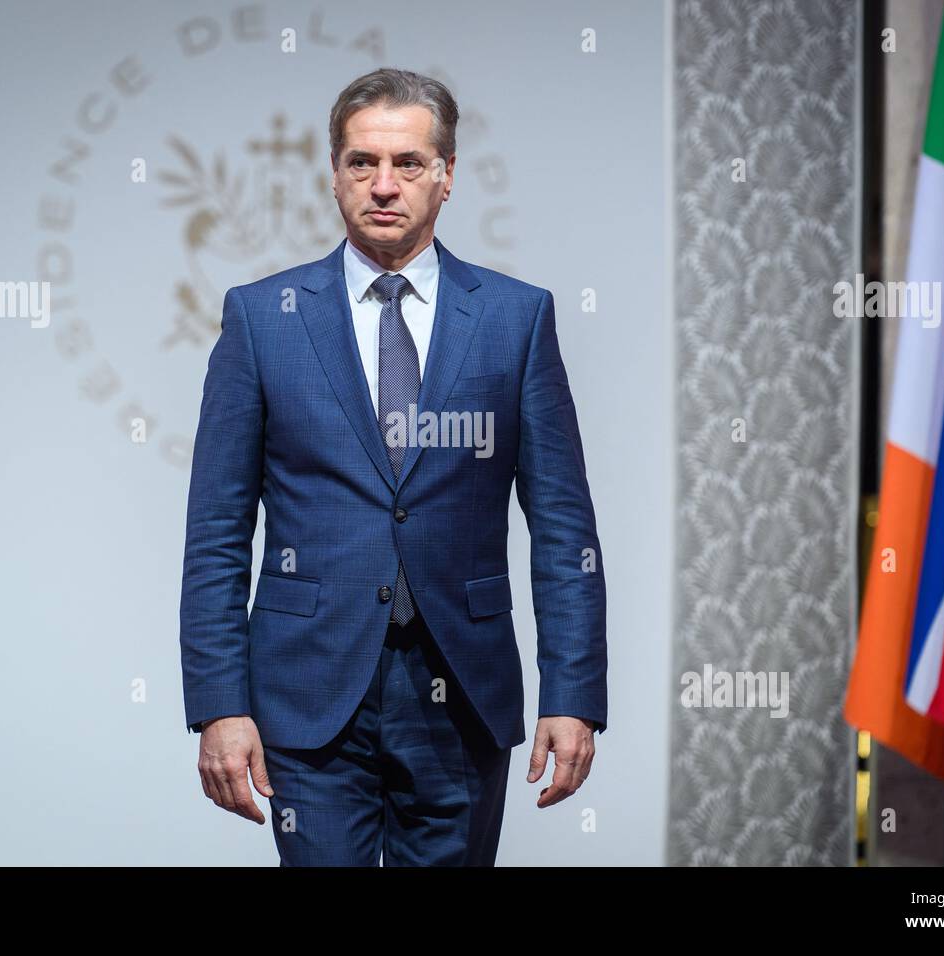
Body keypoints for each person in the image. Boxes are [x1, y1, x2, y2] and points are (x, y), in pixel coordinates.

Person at [179, 67, 607, 866]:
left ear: (446, 176)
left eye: (408, 163)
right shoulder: (261, 320)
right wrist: (217, 706)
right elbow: (215, 533)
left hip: (464, 692)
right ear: (333, 174)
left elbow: (563, 526)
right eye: (361, 163)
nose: (384, 185)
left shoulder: (517, 319)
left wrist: (574, 693)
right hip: (307, 694)